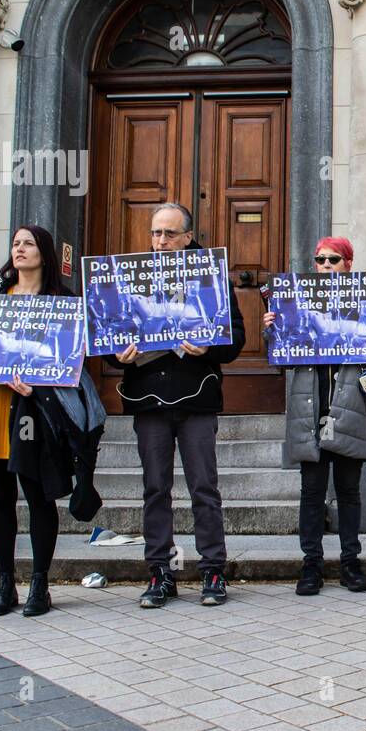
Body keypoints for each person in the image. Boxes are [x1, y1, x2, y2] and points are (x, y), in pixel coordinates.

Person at [0, 226, 102, 617]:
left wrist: (40, 381)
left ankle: (39, 584)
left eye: (27, 244)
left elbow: (72, 365)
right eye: (15, 244)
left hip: (36, 414)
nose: (19, 249)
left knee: (38, 498)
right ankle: (4, 584)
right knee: (1, 499)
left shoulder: (62, 302)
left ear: (44, 253)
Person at [107, 203, 245, 609]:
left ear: (188, 237)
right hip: (147, 398)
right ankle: (159, 573)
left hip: (197, 397)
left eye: (169, 234)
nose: (161, 242)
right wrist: (121, 357)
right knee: (155, 489)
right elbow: (111, 340)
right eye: (155, 234)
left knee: (204, 487)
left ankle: (213, 571)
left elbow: (235, 339)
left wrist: (209, 346)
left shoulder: (212, 277)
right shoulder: (130, 280)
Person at [264, 237, 366, 596]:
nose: (325, 265)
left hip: (349, 412)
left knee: (349, 491)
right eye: (320, 260)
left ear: (348, 265)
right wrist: (272, 329)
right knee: (311, 493)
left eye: (333, 259)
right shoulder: (296, 305)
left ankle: (350, 562)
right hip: (309, 415)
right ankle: (310, 564)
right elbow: (280, 355)